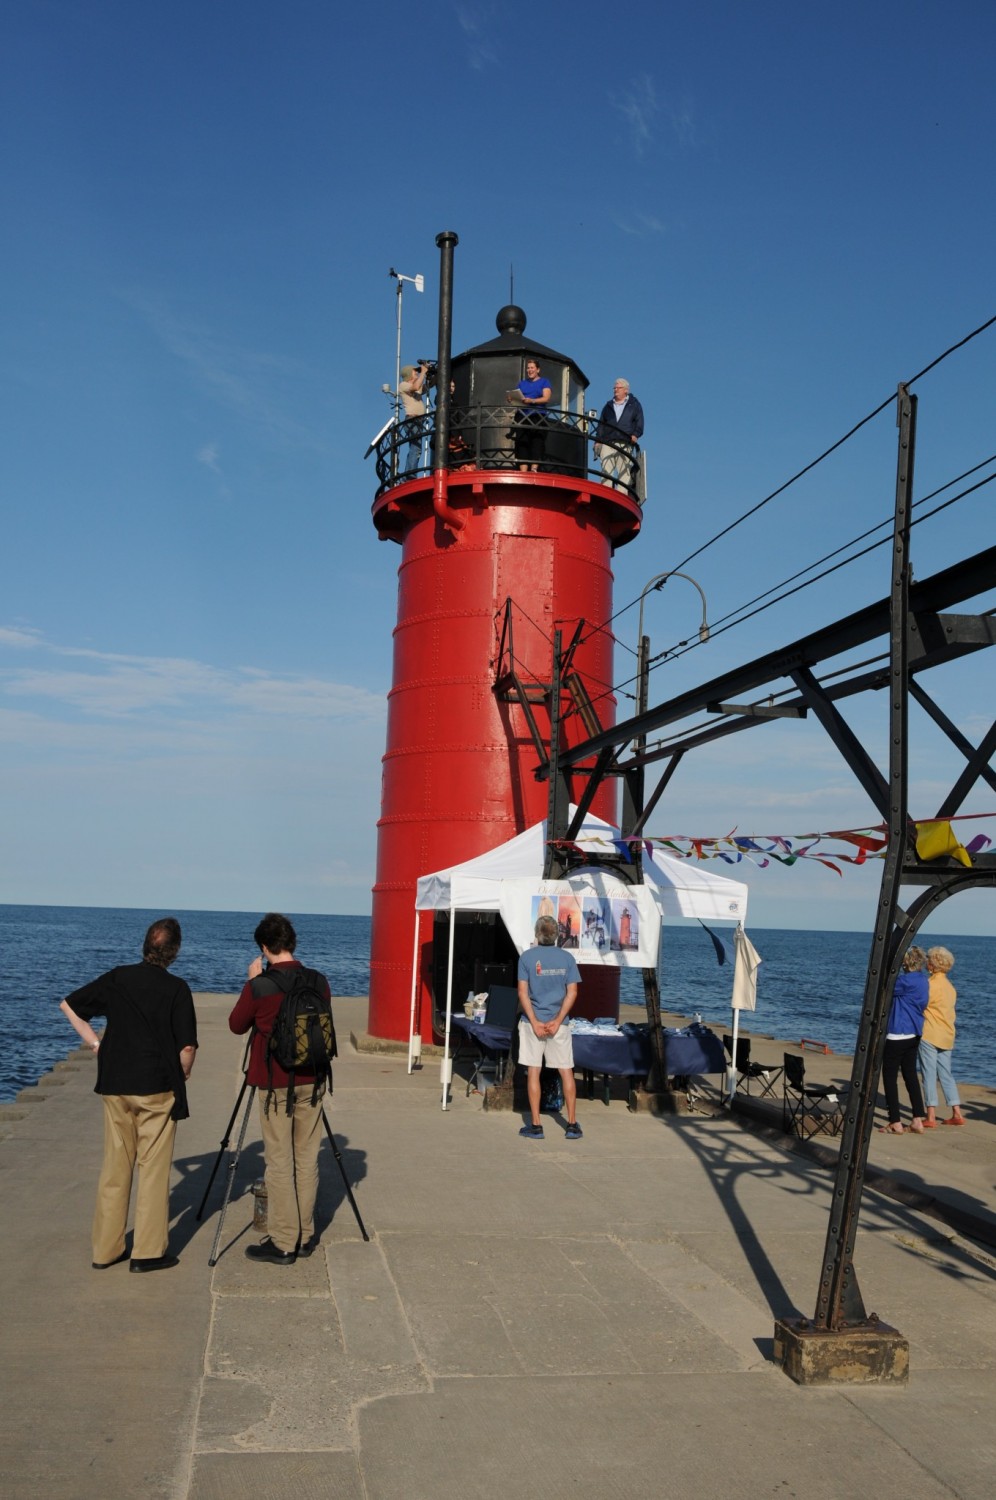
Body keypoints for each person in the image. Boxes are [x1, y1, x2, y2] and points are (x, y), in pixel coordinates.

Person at [59, 917, 197, 1272]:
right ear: (174, 951)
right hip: (157, 1087)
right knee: (152, 1170)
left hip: (116, 1084)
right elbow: (186, 1048)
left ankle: (106, 1250)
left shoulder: (118, 978)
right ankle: (147, 1253)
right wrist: (184, 1072)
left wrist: (95, 1044)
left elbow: (70, 1006)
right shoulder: (177, 989)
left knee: (115, 1168)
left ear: (145, 947)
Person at [228, 913, 335, 1265]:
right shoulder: (318, 981)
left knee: (278, 1162)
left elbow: (236, 1025)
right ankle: (304, 1235)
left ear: (263, 947)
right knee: (306, 1159)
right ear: (293, 943)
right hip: (314, 1079)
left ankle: (284, 1241)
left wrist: (252, 982)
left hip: (275, 1085)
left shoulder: (261, 985)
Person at [516, 915, 582, 1141]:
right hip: (559, 1024)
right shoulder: (567, 959)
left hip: (532, 1023)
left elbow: (522, 992)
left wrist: (534, 1021)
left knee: (534, 1070)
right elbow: (572, 992)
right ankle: (572, 1124)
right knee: (566, 1071)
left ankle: (536, 1125)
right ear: (557, 935)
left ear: (537, 933)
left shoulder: (526, 958)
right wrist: (558, 1019)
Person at [879, 946, 928, 1135]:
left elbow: (884, 987)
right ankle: (917, 1118)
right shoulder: (923, 980)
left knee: (890, 1077)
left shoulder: (904, 982)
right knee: (910, 1075)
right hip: (915, 1032)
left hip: (898, 1031)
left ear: (906, 962)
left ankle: (895, 1121)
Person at [921, 946, 966, 1127]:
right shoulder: (950, 987)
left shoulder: (929, 984)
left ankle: (931, 1115)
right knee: (946, 1074)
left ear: (933, 964)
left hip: (930, 1032)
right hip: (947, 1034)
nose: (926, 963)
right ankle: (956, 1112)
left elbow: (920, 1004)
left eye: (928, 960)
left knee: (929, 1074)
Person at [594, 378, 644, 491]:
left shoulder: (635, 405)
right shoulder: (608, 406)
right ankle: (605, 493)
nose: (615, 390)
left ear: (626, 390)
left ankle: (622, 494)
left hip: (625, 441)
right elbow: (601, 424)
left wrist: (635, 434)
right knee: (606, 470)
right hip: (608, 441)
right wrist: (597, 440)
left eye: (618, 387)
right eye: (614, 388)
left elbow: (639, 421)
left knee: (624, 471)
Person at [511, 358, 552, 471]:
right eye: (528, 368)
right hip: (522, 415)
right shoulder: (522, 383)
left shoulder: (544, 381)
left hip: (537, 416)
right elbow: (518, 397)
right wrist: (511, 398)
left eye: (532, 368)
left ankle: (534, 469)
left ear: (538, 369)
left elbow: (546, 398)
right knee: (522, 442)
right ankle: (523, 471)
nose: (529, 370)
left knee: (536, 441)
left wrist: (532, 401)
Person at [398, 362, 428, 474]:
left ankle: (409, 473)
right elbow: (416, 387)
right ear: (409, 374)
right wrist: (423, 371)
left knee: (416, 448)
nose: (417, 372)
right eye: (415, 371)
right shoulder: (404, 385)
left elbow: (425, 387)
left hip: (418, 421)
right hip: (412, 420)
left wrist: (429, 375)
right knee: (416, 448)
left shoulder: (415, 385)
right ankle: (410, 474)